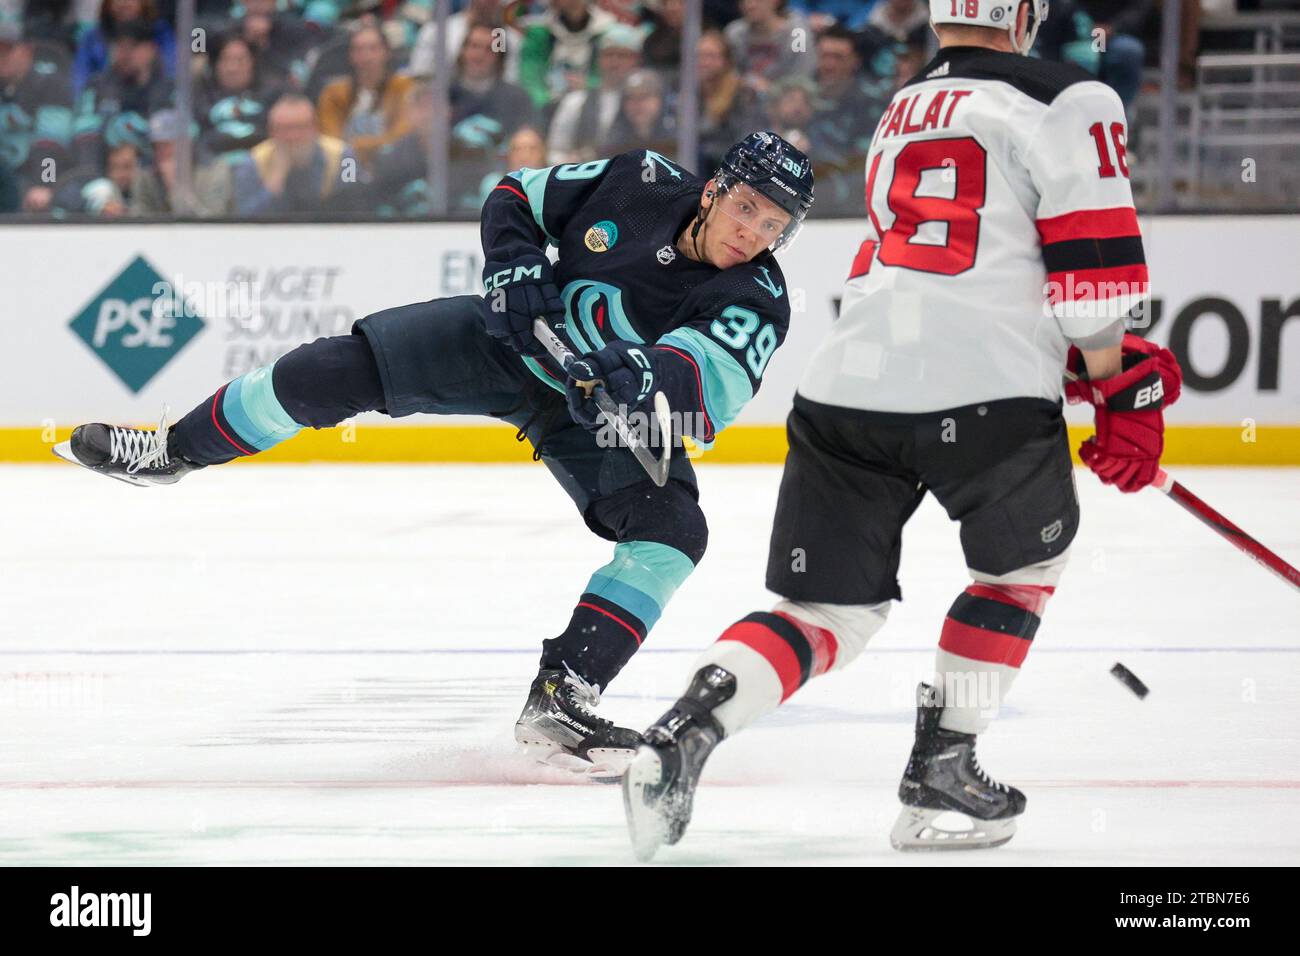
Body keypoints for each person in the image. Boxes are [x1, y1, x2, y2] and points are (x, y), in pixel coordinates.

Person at [54, 132, 815, 781]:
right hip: (508, 343)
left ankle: (565, 695)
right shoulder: (639, 179)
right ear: (715, 190)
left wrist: (633, 377)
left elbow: (695, 387)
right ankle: (170, 450)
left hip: (601, 413)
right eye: (746, 207)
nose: (751, 233)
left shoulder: (757, 298)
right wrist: (516, 267)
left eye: (772, 225)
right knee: (329, 371)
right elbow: (515, 193)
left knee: (673, 531)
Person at [623, 0, 1182, 860]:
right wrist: (1118, 393)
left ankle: (686, 730)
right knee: (1021, 566)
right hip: (984, 393)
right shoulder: (1074, 98)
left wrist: (1059, 354)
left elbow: (937, 256)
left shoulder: (905, 103)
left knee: (824, 612)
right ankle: (943, 769)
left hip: (849, 387)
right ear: (1024, 13)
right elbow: (1096, 280)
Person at [231, 92, 355, 215]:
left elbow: (357, 205)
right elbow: (245, 217)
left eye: (300, 127)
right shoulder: (253, 162)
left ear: (315, 128)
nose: (293, 137)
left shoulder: (345, 158)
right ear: (271, 132)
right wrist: (274, 183)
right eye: (284, 129)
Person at [317, 22, 413, 170]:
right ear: (351, 55)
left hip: (391, 168)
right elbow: (331, 142)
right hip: (348, 167)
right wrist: (361, 150)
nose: (366, 56)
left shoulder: (405, 88)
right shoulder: (333, 93)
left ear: (387, 53)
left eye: (373, 49)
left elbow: (401, 136)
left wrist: (358, 146)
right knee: (344, 174)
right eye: (359, 50)